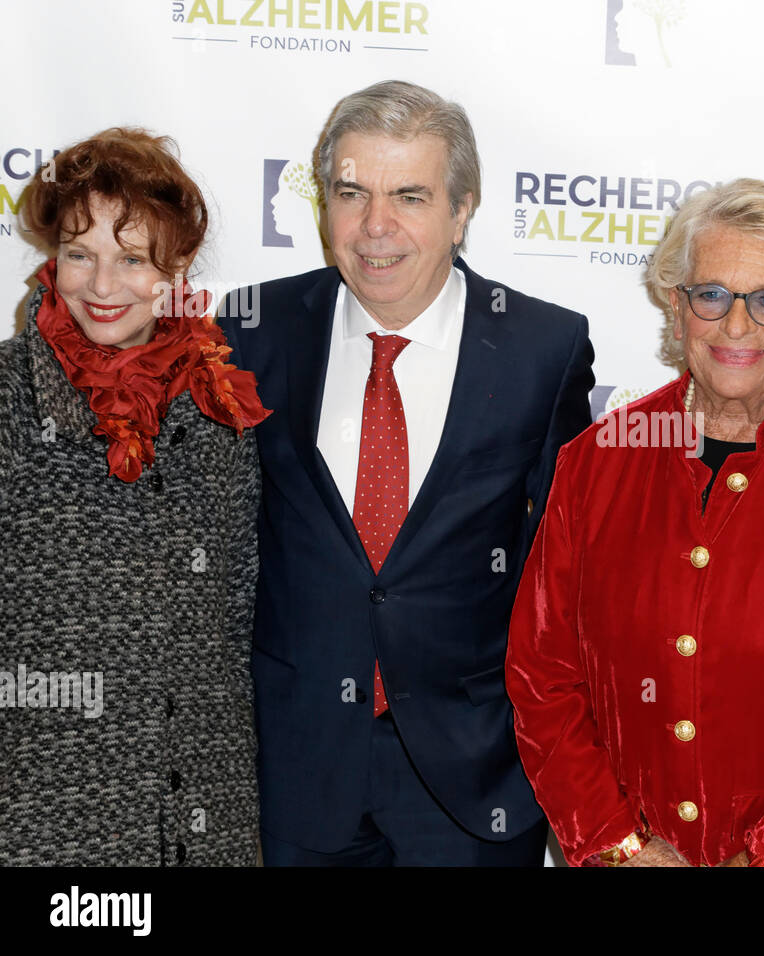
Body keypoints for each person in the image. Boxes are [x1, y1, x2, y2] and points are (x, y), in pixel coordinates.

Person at [218, 80, 594, 866]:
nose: (375, 227)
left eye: (410, 197)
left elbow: (568, 576)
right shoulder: (251, 329)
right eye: (351, 193)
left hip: (475, 782)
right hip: (293, 771)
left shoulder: (541, 350)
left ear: (462, 211)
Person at [505, 178, 764, 867]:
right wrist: (620, 845)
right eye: (711, 296)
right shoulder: (594, 464)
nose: (736, 327)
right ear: (678, 309)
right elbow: (541, 674)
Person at [0, 128, 269, 865]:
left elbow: (234, 627)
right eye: (80, 254)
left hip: (207, 823)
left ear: (175, 268)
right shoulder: (10, 397)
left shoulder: (221, 413)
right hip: (44, 826)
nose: (102, 285)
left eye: (132, 259)